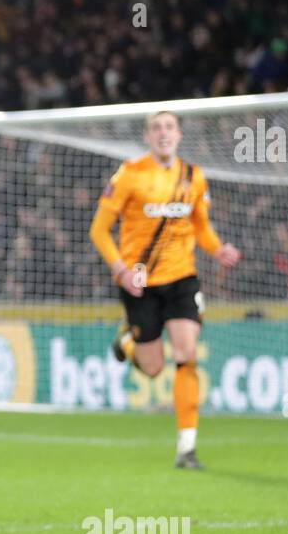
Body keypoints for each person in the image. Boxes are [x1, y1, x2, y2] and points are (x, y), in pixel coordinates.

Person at [89, 111, 241, 469]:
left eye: (169, 127)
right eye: (156, 127)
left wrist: (217, 248)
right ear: (147, 136)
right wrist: (123, 272)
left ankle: (187, 448)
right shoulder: (130, 174)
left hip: (182, 279)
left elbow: (201, 227)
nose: (163, 133)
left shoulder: (194, 177)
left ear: (179, 134)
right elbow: (99, 230)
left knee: (186, 354)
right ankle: (127, 340)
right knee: (153, 368)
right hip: (139, 283)